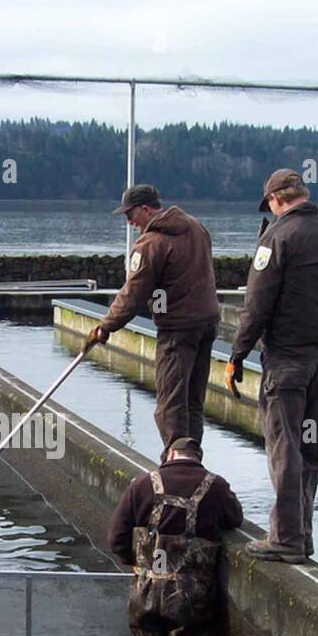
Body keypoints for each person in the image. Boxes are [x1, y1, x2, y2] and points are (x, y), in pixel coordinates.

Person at [228, 168, 318, 563]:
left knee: (284, 448)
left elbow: (256, 304)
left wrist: (237, 354)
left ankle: (286, 538)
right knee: (308, 448)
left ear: (276, 199)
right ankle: (303, 534)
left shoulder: (277, 237)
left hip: (287, 363)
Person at [86, 184, 220, 458]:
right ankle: (192, 460)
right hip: (207, 323)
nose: (129, 221)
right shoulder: (197, 227)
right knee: (193, 400)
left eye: (130, 214)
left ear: (145, 209)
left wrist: (105, 326)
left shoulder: (151, 243)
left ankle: (176, 463)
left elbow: (133, 295)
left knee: (170, 404)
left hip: (177, 329)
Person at [108, 436, 243, 636]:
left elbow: (116, 538)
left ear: (169, 455)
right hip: (191, 597)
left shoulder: (142, 484)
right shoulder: (216, 486)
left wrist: (136, 562)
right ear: (198, 459)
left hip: (146, 591)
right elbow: (235, 518)